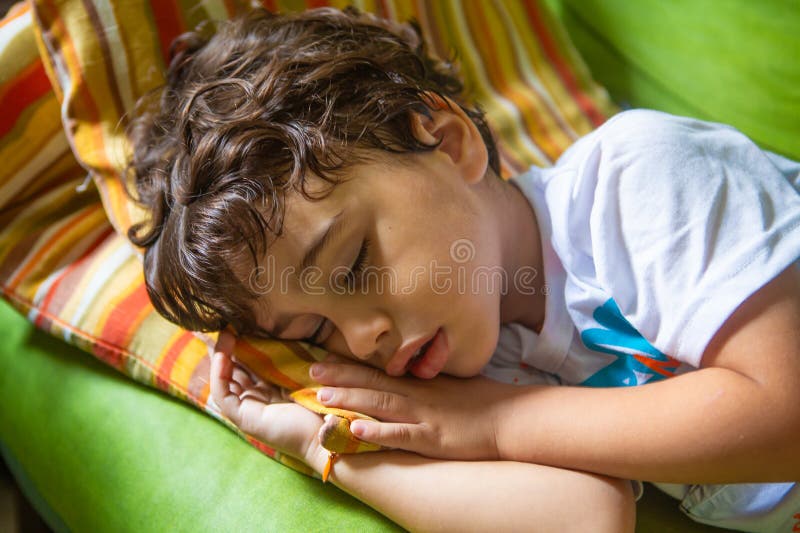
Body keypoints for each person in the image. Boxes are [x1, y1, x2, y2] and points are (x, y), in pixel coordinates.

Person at [126, 6, 799, 532]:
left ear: (448, 142)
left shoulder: (636, 181)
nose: (362, 341)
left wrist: (498, 425)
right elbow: (582, 516)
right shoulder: (475, 362)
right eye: (314, 328)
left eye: (355, 264)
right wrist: (318, 449)